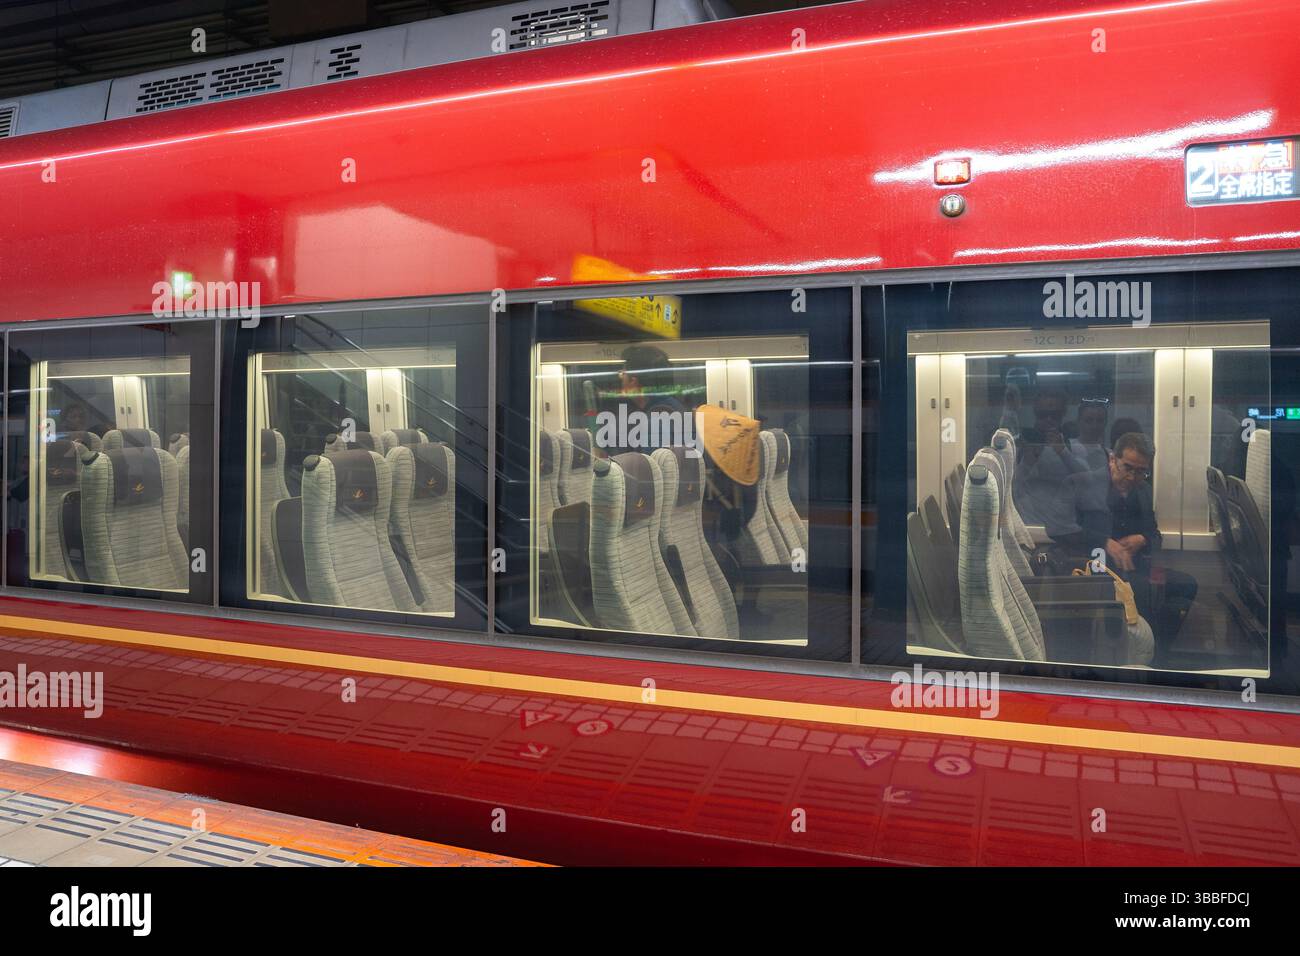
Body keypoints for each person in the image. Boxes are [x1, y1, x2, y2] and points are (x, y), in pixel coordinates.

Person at [1049, 432, 1197, 663]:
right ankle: (1138, 659)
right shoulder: (1080, 483)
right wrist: (1104, 542)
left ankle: (1155, 653)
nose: (1133, 477)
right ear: (1111, 459)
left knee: (1186, 585)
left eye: (1141, 471)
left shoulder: (1144, 491)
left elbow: (1154, 534)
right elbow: (1056, 527)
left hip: (1134, 568)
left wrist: (1143, 539)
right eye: (1127, 468)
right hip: (1094, 571)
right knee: (1144, 592)